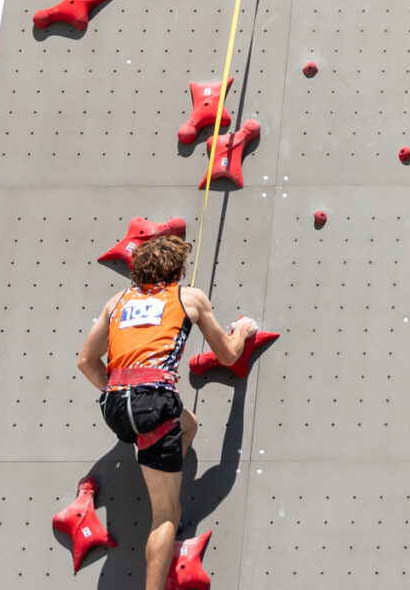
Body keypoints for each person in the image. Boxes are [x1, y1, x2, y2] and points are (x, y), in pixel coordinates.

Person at [75, 233, 259, 590]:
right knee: (165, 515)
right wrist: (243, 330)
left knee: (188, 425)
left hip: (116, 404)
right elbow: (228, 355)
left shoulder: (118, 301)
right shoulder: (188, 297)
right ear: (177, 268)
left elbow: (86, 361)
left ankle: (158, 465)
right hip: (153, 404)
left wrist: (122, 395)